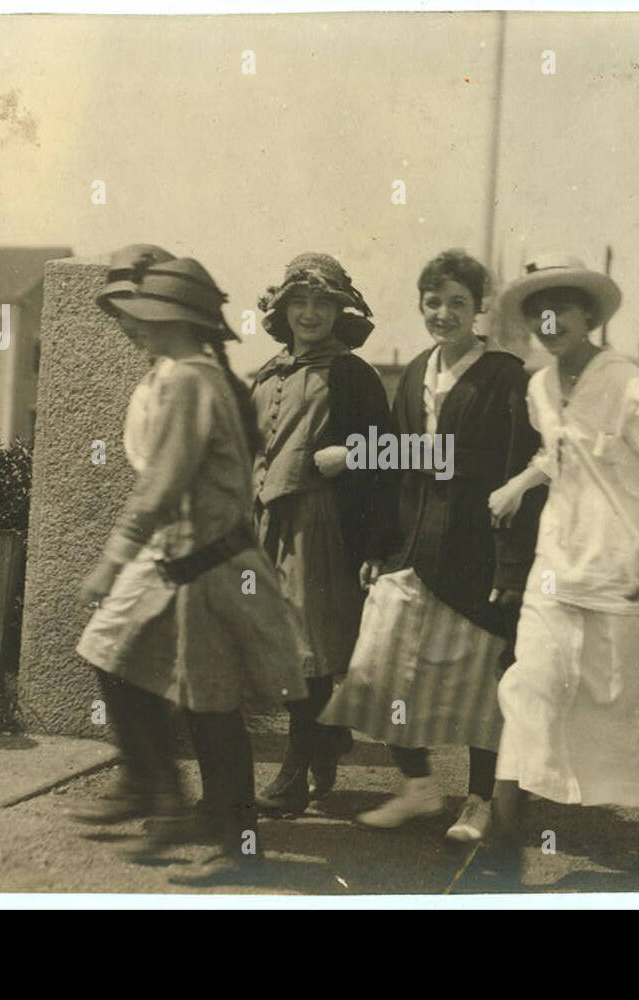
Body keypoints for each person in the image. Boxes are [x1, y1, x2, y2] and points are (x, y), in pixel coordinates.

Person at [73, 249, 307, 885]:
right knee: (117, 657)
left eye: (150, 314)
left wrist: (112, 557)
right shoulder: (195, 372)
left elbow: (163, 484)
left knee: (210, 705)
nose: (139, 323)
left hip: (209, 565)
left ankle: (238, 848)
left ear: (177, 319)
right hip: (191, 560)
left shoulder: (187, 381)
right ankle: (167, 797)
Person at [480, 254, 639, 886]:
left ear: (587, 316)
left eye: (559, 310)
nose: (547, 322)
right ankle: (501, 842)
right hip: (558, 566)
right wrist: (522, 483)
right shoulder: (539, 387)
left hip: (629, 578)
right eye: (535, 313)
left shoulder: (628, 383)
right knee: (530, 686)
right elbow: (558, 453)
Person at [320, 249, 545, 843]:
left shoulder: (506, 377)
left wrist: (512, 566)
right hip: (413, 554)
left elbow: (515, 473)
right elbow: (399, 470)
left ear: (479, 310)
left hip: (477, 557)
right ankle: (419, 789)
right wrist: (379, 546)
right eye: (432, 301)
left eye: (457, 303)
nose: (443, 313)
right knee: (376, 670)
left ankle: (479, 802)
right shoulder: (416, 371)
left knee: (482, 686)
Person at [250, 253, 396, 816]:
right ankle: (325, 741)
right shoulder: (266, 373)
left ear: (341, 311)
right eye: (299, 303)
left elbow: (388, 453)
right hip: (268, 524)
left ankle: (293, 771)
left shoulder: (351, 375)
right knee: (282, 647)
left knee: (307, 649)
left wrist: (349, 456)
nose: (309, 314)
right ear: (283, 310)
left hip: (319, 526)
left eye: (322, 303)